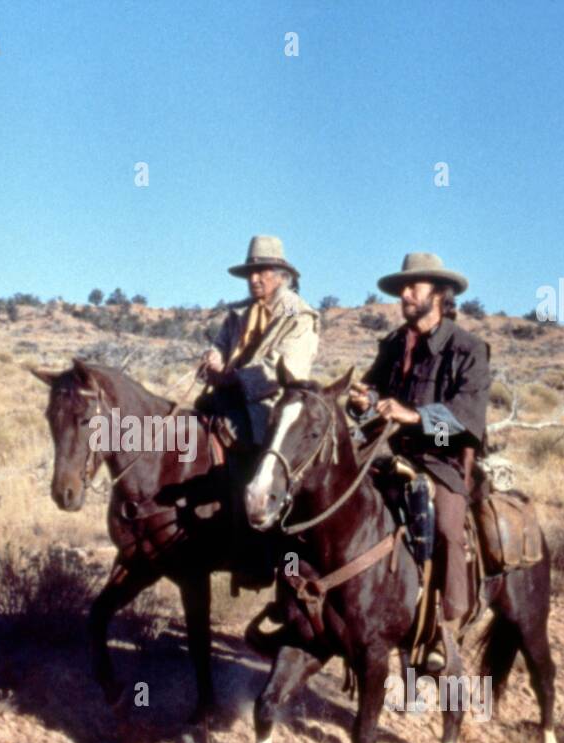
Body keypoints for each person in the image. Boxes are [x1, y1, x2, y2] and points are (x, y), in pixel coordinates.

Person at [348, 252, 490, 671]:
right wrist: (363, 403)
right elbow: (372, 399)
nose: (405, 295)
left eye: (414, 287)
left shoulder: (467, 348)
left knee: (447, 529)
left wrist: (414, 418)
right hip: (386, 454)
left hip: (440, 459)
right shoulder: (393, 344)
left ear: (439, 294)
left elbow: (467, 424)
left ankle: (446, 629)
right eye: (402, 289)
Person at [196, 235, 319, 587]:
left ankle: (264, 554)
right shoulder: (238, 314)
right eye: (251, 272)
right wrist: (213, 359)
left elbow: (282, 369)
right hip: (227, 398)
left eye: (262, 271)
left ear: (281, 274)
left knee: (259, 465)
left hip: (274, 406)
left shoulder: (298, 312)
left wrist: (233, 378)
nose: (254, 279)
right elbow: (220, 347)